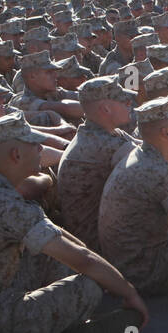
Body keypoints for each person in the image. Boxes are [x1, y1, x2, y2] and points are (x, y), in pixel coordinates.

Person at [0, 112, 148, 333]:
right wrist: (128, 292)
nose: (41, 148)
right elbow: (82, 259)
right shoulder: (2, 202)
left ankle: (61, 322)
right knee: (89, 285)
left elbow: (62, 239)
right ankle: (67, 330)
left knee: (52, 256)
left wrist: (103, 272)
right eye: (34, 144)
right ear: (16, 155)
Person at [98, 95, 168, 297]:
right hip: (145, 272)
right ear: (165, 133)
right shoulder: (157, 171)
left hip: (130, 262)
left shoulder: (144, 155)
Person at [55, 76, 136, 253]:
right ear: (106, 108)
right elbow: (156, 159)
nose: (129, 103)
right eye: (123, 100)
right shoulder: (101, 144)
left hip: (106, 231)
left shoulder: (108, 133)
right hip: (98, 244)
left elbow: (152, 147)